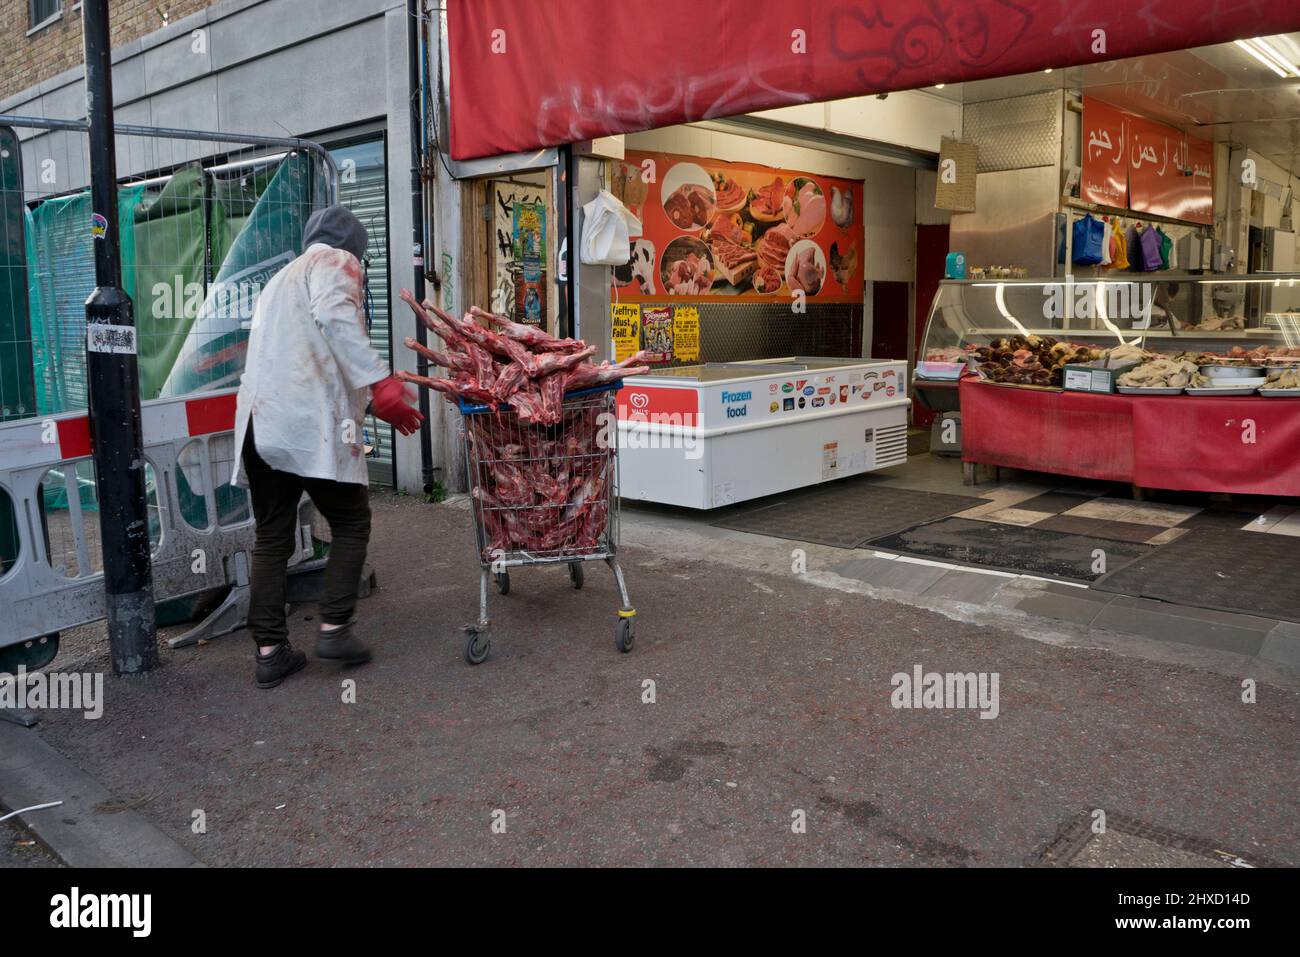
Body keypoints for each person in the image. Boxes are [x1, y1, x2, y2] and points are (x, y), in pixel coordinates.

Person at [232, 206, 423, 688]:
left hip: (261, 421)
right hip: (305, 423)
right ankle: (335, 629)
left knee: (272, 534)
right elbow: (336, 320)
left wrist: (370, 396)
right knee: (351, 521)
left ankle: (270, 651)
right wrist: (380, 384)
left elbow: (312, 349)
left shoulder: (279, 281)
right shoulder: (335, 262)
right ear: (352, 247)